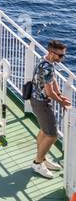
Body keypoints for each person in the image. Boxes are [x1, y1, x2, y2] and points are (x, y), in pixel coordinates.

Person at [29, 39, 70, 180]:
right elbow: (49, 92)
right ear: (51, 53)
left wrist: (59, 95)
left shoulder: (45, 61)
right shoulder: (48, 67)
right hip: (41, 103)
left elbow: (52, 81)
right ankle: (38, 162)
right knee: (52, 135)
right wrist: (61, 102)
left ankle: (42, 158)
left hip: (35, 99)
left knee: (44, 130)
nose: (62, 58)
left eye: (63, 55)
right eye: (60, 55)